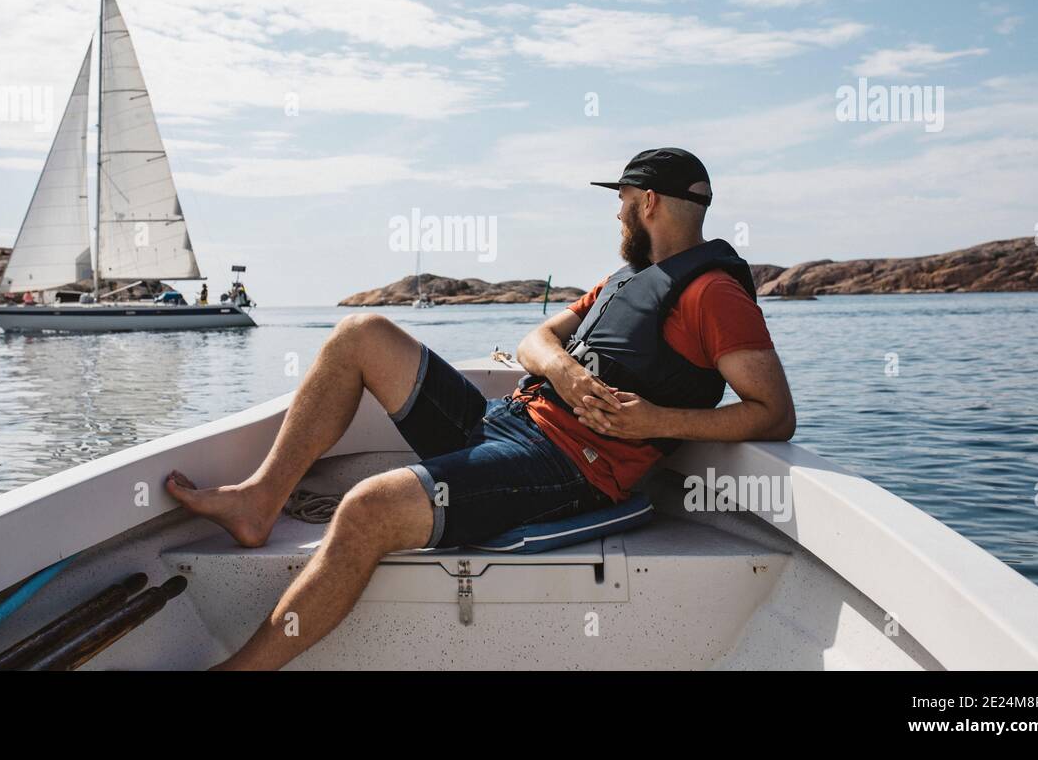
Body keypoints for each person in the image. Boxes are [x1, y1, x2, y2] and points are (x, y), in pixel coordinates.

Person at [165, 147, 795, 670]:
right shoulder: (623, 281)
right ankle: (259, 501)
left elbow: (773, 411)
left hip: (567, 467)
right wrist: (566, 373)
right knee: (361, 333)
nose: (618, 216)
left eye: (621, 202)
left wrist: (658, 422)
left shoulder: (714, 295)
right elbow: (533, 342)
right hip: (509, 423)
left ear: (647, 202)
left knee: (367, 507)